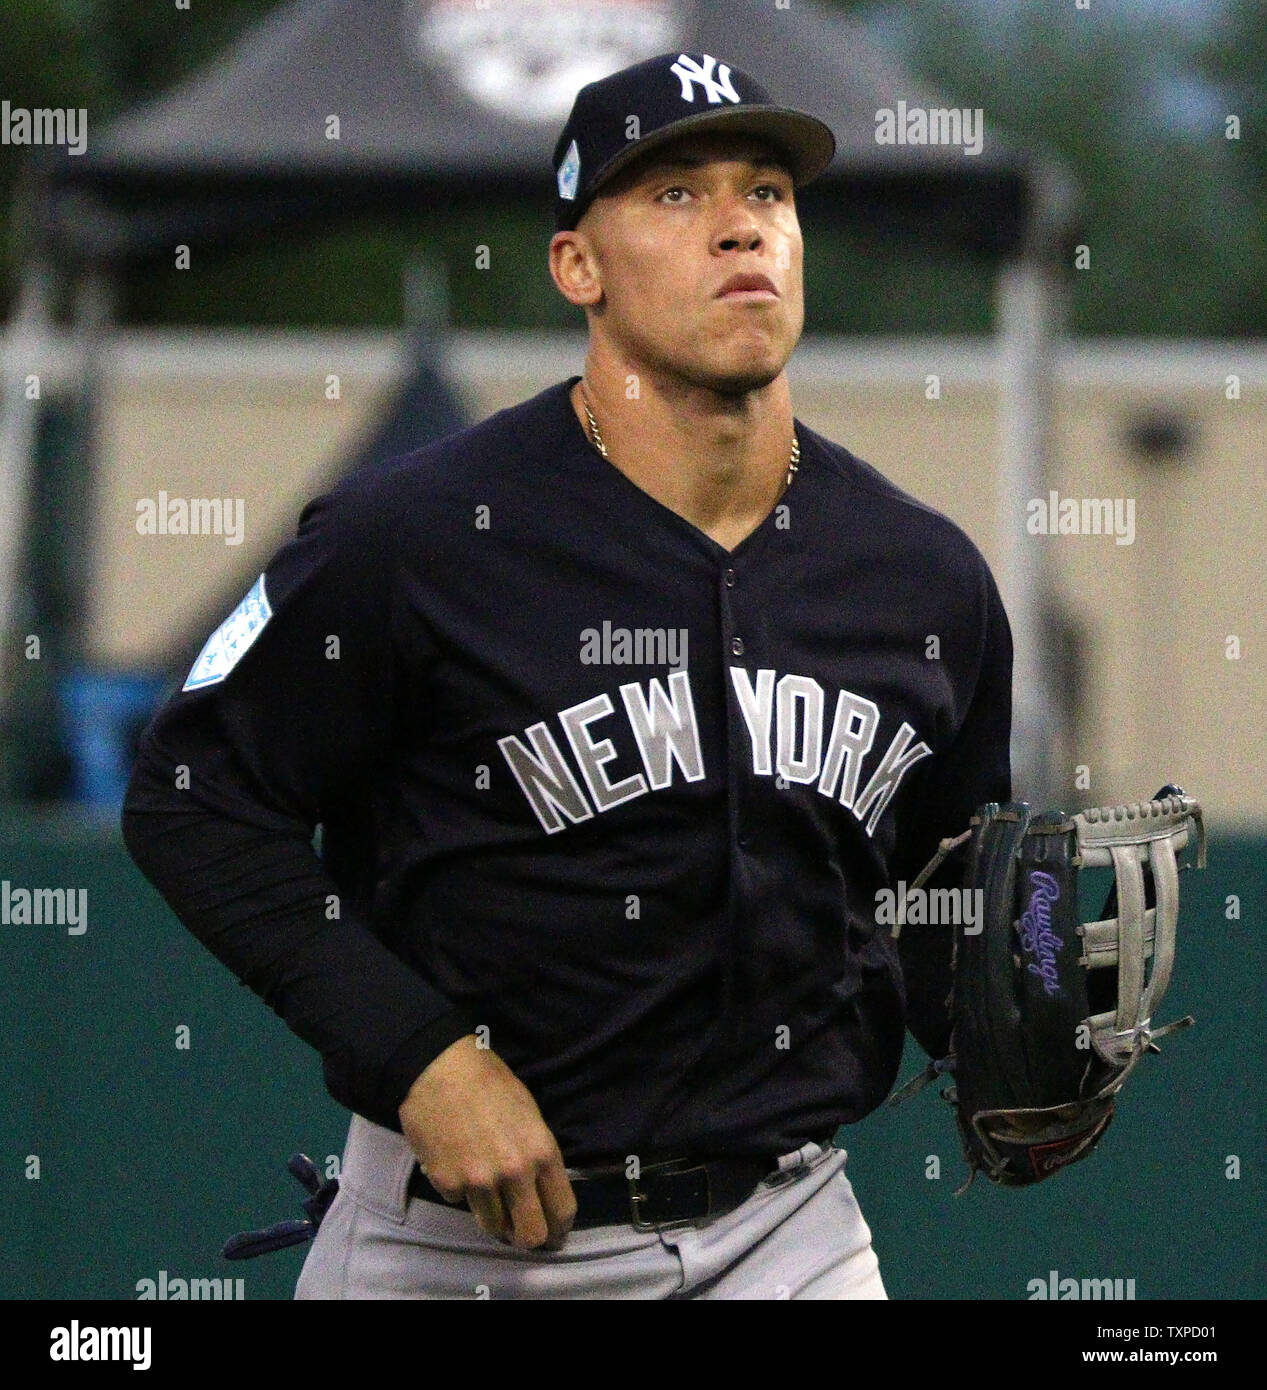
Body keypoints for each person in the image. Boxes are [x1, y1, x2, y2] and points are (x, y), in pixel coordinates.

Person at [121, 51, 1012, 1300]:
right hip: (460, 1244)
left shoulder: (922, 579)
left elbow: (940, 883)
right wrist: (419, 1057)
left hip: (784, 1228)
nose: (740, 224)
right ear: (575, 267)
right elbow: (192, 797)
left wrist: (1018, 1013)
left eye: (767, 189)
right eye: (674, 195)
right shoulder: (414, 541)